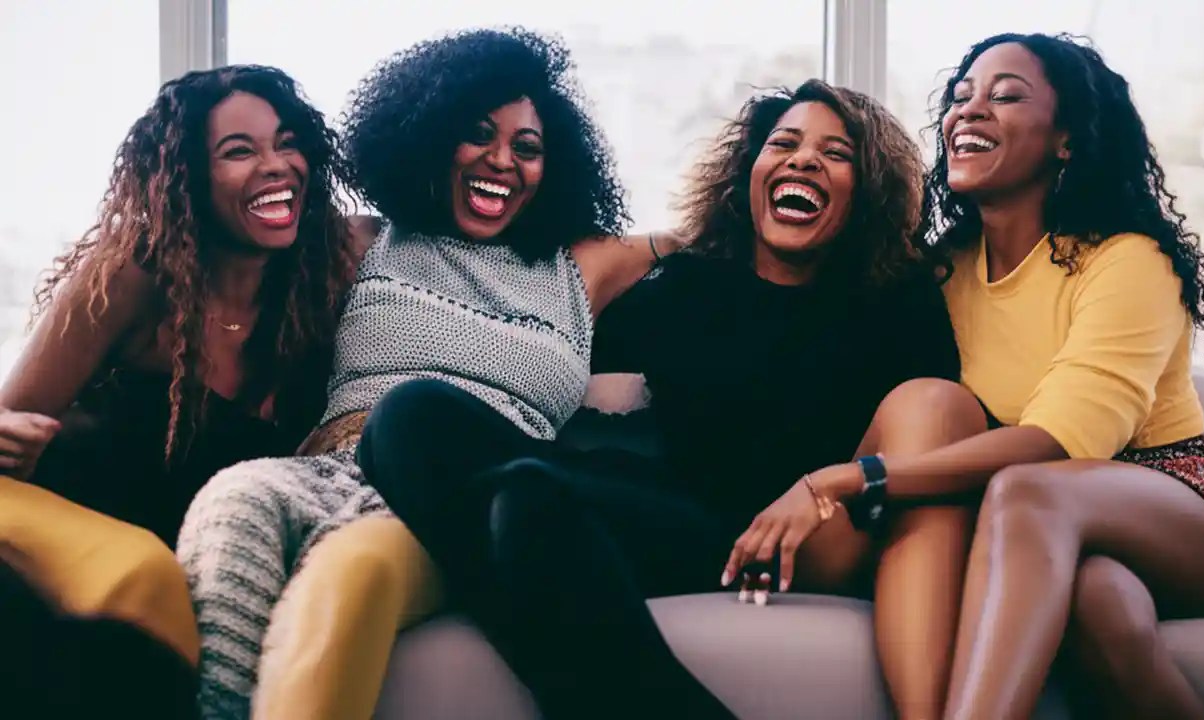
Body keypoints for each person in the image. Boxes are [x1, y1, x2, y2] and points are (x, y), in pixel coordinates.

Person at [358, 79, 972, 719]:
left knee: (528, 497)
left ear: (867, 189)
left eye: (835, 153)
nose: (802, 160)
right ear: (751, 172)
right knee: (412, 417)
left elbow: (930, 443)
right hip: (679, 514)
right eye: (782, 143)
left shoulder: (897, 298)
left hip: (799, 541)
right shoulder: (689, 285)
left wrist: (831, 492)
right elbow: (546, 334)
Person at [766, 34, 1204, 720]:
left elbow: (1058, 444)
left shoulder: (1127, 261)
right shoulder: (944, 272)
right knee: (1100, 605)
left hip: (1178, 501)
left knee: (1030, 490)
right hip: (1031, 524)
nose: (969, 112)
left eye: (1005, 97)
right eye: (961, 97)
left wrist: (852, 478)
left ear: (1067, 139)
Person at [175, 28, 679, 719]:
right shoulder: (365, 243)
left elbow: (708, 236)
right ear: (431, 140)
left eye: (526, 148)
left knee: (342, 560)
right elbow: (222, 239)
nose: (502, 161)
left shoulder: (577, 268)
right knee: (234, 500)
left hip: (466, 488)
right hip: (330, 463)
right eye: (477, 135)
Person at [0, 65, 356, 718]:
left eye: (287, 142)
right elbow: (9, 419)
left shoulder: (326, 274)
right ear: (189, 177)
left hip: (206, 567)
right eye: (239, 151)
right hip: (90, 554)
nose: (277, 165)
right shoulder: (128, 275)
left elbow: (448, 229)